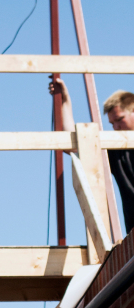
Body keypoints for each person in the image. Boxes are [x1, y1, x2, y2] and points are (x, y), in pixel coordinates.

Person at [50, 78, 134, 231]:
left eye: (119, 119)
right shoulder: (117, 150)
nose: (116, 127)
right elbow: (76, 146)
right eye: (111, 123)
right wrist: (65, 101)